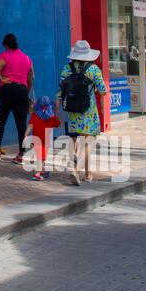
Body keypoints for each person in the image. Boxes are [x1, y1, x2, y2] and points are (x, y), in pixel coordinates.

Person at [59, 39, 109, 185]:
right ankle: (78, 171)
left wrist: (57, 107)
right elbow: (103, 90)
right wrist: (102, 105)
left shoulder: (67, 68)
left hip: (72, 110)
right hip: (89, 112)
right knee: (88, 143)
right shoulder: (93, 69)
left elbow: (61, 88)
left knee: (74, 140)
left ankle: (84, 172)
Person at [0, 33, 35, 163]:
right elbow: (30, 78)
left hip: (6, 90)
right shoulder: (27, 58)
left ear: (4, 44)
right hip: (22, 90)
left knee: (0, 120)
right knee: (21, 124)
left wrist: (1, 78)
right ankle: (21, 154)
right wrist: (25, 92)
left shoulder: (5, 55)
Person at [27, 95, 61, 181]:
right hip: (45, 141)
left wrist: (26, 134)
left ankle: (41, 169)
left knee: (39, 156)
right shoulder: (51, 117)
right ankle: (37, 174)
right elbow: (58, 124)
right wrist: (57, 113)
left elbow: (30, 125)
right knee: (41, 158)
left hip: (36, 139)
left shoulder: (35, 115)